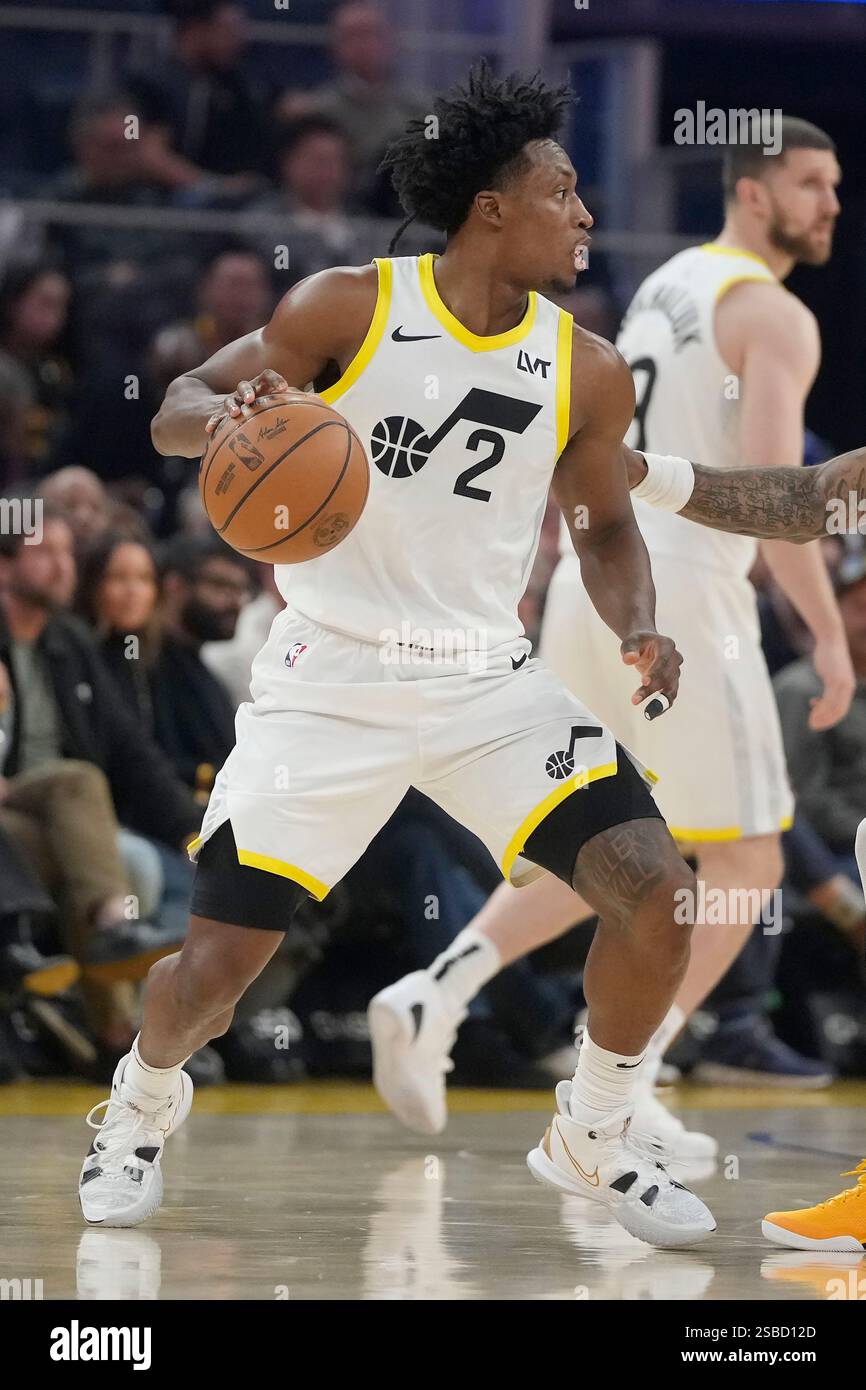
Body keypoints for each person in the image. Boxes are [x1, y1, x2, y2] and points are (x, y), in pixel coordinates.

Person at [78, 64, 866, 1246]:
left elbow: (602, 527)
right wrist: (225, 422)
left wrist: (636, 623)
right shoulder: (345, 308)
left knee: (661, 889)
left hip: (482, 679)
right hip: (328, 679)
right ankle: (139, 1100)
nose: (585, 214)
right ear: (491, 206)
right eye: (563, 191)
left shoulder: (582, 367)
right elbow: (176, 401)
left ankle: (591, 1134)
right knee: (213, 972)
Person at [370, 114, 850, 1140]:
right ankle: (619, 1092)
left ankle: (434, 994)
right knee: (747, 864)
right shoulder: (771, 314)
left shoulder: (666, 281)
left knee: (599, 846)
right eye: (812, 184)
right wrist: (827, 634)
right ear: (752, 191)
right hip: (678, 583)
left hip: (597, 562)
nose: (831, 205)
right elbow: (783, 497)